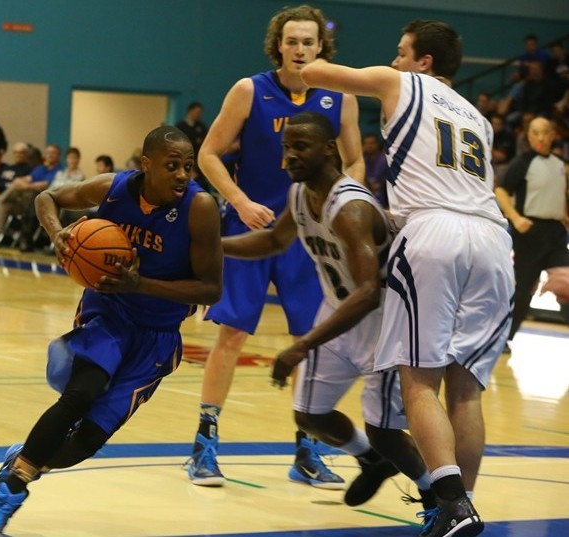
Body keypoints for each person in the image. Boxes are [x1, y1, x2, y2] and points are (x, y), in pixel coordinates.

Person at [301, 19, 516, 537]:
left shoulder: (401, 83)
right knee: (466, 391)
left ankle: (452, 504)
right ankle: (460, 509)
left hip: (435, 234)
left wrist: (305, 49)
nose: (394, 61)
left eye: (401, 53)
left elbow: (316, 73)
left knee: (418, 379)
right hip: (493, 241)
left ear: (424, 62)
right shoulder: (479, 120)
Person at [0, 126, 223, 536]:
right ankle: (7, 497)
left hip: (157, 333)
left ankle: (24, 457)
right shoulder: (114, 189)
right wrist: (58, 235)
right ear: (146, 164)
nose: (182, 174)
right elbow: (46, 197)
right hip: (109, 310)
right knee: (81, 393)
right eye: (172, 165)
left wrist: (141, 284)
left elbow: (212, 288)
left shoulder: (200, 208)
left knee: (80, 445)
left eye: (188, 166)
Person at [189, 3, 364, 489]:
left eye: (309, 41)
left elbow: (356, 163)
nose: (301, 48)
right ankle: (204, 445)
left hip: (307, 238)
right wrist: (239, 200)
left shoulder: (341, 97)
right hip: (252, 227)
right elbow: (207, 154)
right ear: (278, 45)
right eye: (292, 41)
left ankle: (305, 451)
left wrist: (337, 206)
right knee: (230, 336)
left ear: (321, 47)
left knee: (308, 342)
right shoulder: (250, 90)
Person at [224, 111, 433, 509]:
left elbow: (370, 292)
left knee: (384, 430)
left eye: (299, 147)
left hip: (387, 321)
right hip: (340, 310)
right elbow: (272, 241)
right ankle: (371, 462)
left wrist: (302, 344)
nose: (288, 158)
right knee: (309, 415)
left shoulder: (350, 208)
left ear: (329, 149)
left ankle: (432, 492)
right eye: (286, 148)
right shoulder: (301, 194)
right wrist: (214, 247)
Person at [495, 117, 569, 341]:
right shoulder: (522, 162)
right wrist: (515, 217)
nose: (540, 137)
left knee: (566, 282)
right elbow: (501, 191)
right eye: (535, 132)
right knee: (523, 291)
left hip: (556, 233)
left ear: (553, 135)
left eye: (544, 132)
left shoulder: (560, 165)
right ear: (528, 136)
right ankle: (504, 338)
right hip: (529, 233)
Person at [176, 101, 210, 190]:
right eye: (197, 112)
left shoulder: (202, 127)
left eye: (200, 113)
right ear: (190, 111)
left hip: (198, 161)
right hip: (184, 158)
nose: (199, 115)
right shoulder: (180, 126)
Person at [362, 133, 390, 208]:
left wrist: (381, 185)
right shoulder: (362, 160)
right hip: (368, 191)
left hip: (384, 193)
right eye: (367, 144)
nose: (369, 146)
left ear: (377, 144)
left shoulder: (385, 159)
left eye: (372, 143)